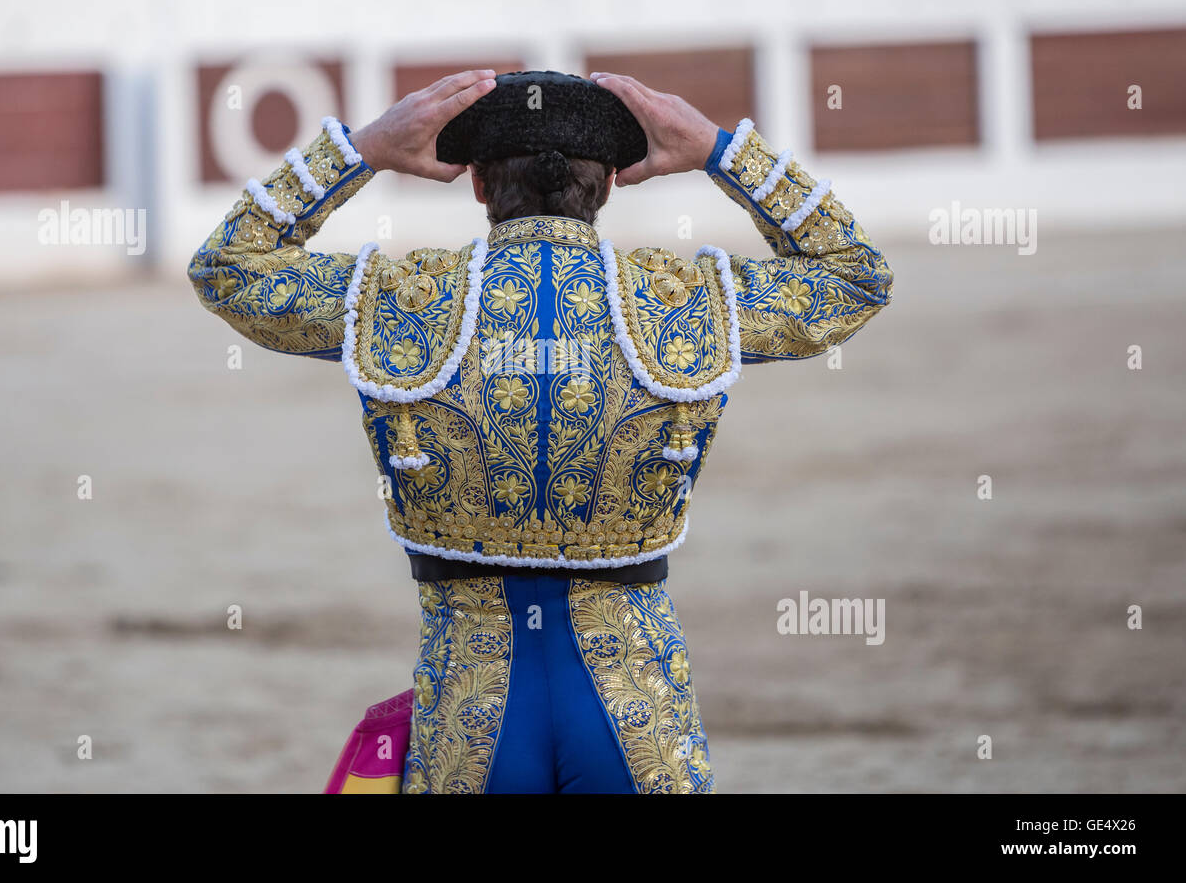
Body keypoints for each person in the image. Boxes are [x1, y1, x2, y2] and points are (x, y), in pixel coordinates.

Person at [188, 68, 893, 793]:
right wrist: (718, 149)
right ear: (610, 184)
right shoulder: (681, 303)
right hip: (635, 708)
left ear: (480, 186)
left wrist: (363, 150)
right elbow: (856, 277)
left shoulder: (405, 301)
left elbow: (226, 266)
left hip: (472, 709)